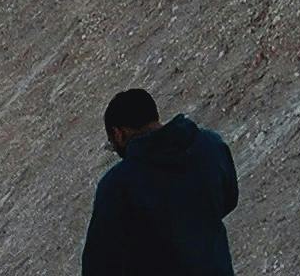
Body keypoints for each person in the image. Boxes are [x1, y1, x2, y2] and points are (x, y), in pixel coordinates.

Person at [81, 86, 235, 275]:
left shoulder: (118, 185)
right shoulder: (210, 146)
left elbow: (99, 264)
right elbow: (228, 199)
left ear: (118, 134)